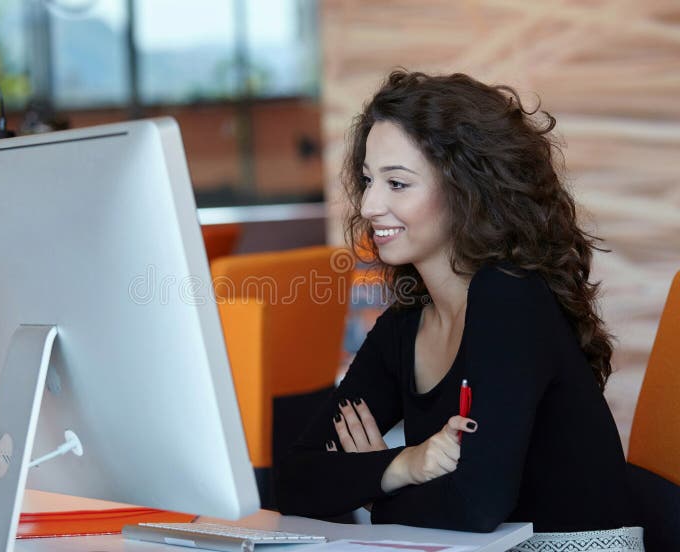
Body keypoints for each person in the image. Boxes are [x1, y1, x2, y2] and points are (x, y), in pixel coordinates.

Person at [275, 70, 644, 552]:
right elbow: (297, 480)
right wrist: (405, 464)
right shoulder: (405, 325)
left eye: (397, 183)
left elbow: (474, 507)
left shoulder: (509, 298)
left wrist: (372, 491)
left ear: (465, 189)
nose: (368, 205)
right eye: (368, 180)